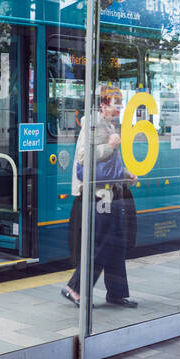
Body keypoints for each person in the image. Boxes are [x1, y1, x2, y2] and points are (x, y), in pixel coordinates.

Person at [62, 86, 138, 308]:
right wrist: (110, 145)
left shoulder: (108, 124)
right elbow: (85, 157)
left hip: (110, 190)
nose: (120, 107)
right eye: (116, 103)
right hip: (99, 193)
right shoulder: (93, 125)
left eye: (121, 103)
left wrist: (125, 175)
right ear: (104, 105)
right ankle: (74, 288)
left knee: (117, 243)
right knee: (103, 242)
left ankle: (116, 293)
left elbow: (109, 163)